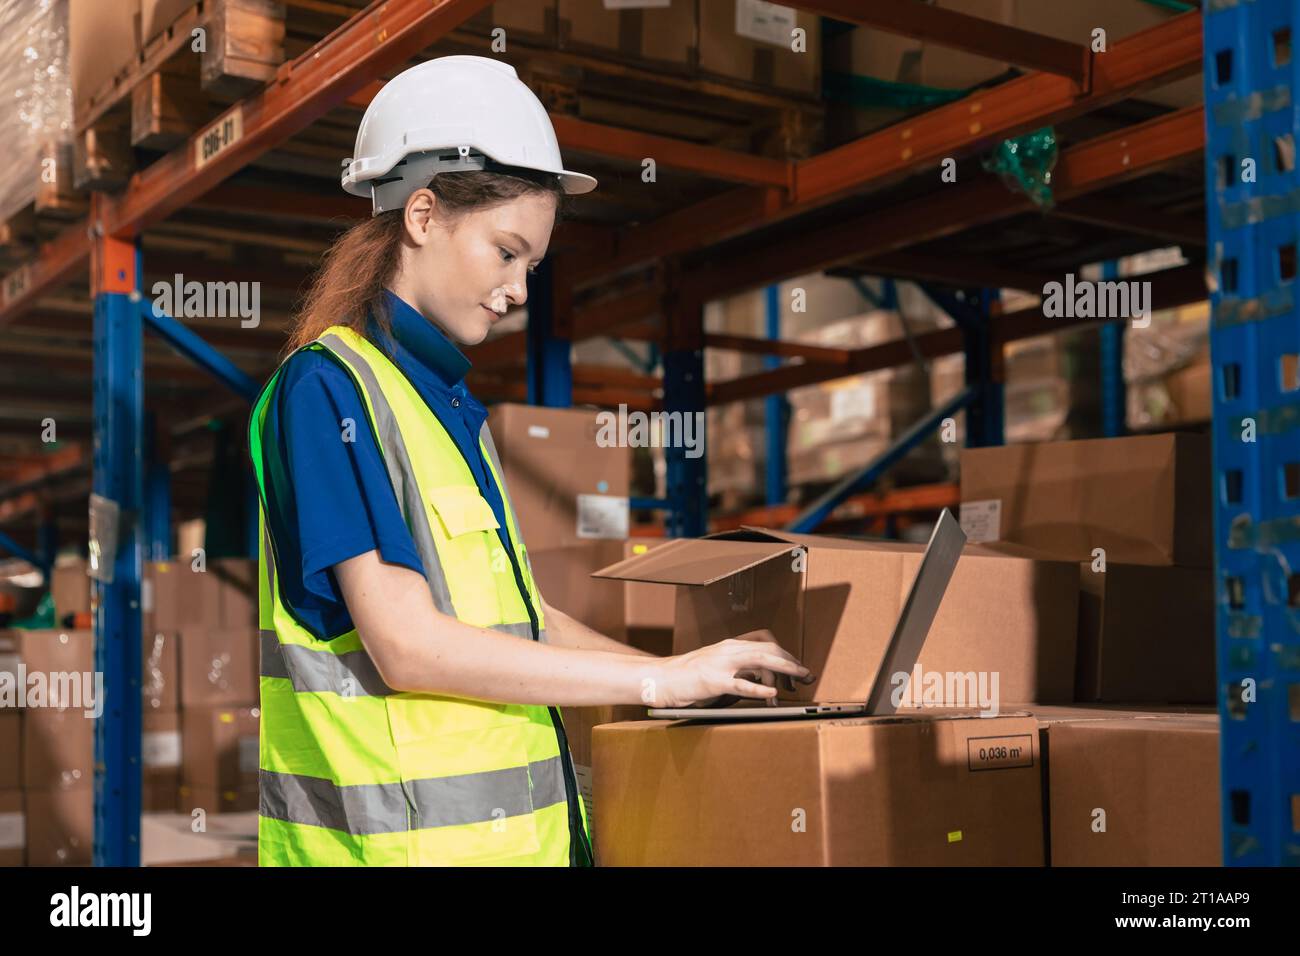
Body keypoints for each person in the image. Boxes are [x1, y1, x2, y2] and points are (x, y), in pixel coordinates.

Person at [247, 55, 811, 867]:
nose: (518, 289)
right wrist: (658, 686)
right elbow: (406, 645)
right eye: (505, 252)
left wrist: (684, 675)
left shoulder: (449, 410)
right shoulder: (328, 391)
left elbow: (525, 620)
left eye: (532, 267)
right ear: (424, 215)